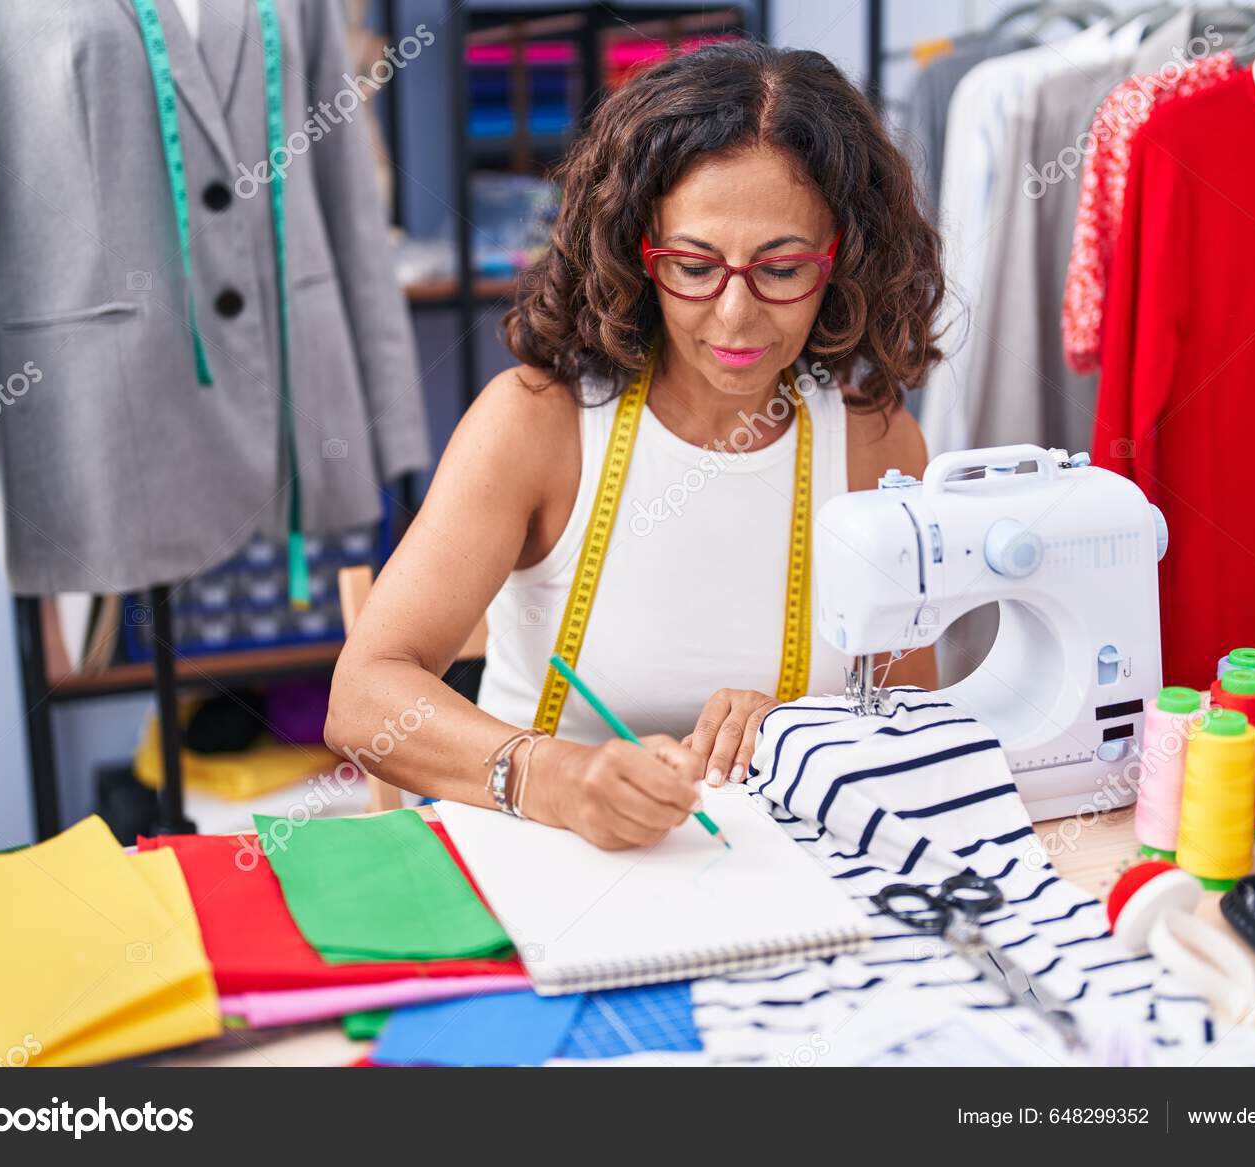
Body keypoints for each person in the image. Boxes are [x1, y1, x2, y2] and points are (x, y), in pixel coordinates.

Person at [327, 40, 945, 849]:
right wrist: (552, 776)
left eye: (782, 268)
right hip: (545, 870)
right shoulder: (537, 425)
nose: (735, 315)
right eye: (692, 265)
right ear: (635, 248)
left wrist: (807, 731)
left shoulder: (876, 445)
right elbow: (362, 699)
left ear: (844, 257)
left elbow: (913, 728)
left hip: (781, 879)